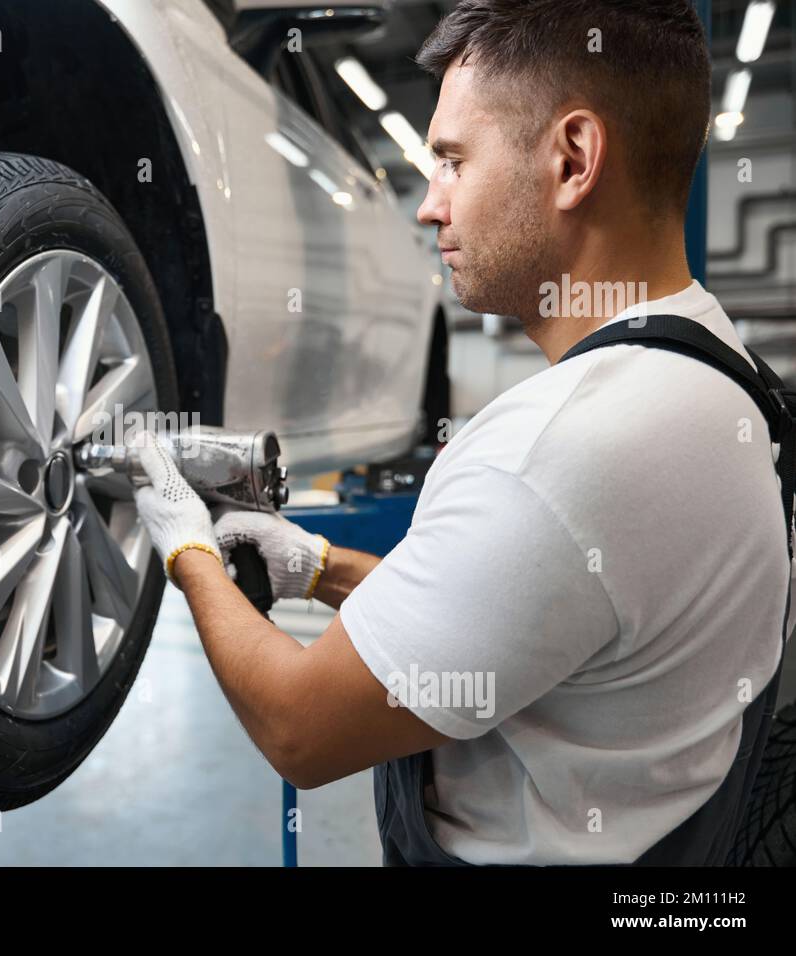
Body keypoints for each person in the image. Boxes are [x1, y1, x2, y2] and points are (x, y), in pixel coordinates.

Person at [130, 0, 789, 865]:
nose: (427, 207)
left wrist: (188, 552)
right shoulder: (725, 385)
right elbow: (526, 614)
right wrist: (320, 570)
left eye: (450, 161)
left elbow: (297, 725)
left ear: (573, 160)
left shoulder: (559, 451)